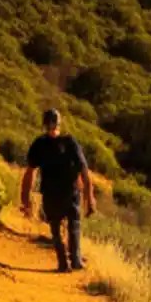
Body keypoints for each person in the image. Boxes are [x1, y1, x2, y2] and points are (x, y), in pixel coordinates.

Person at [21, 109, 95, 272]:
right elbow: (84, 171)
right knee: (73, 224)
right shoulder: (69, 142)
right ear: (59, 123)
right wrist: (90, 198)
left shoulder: (39, 143)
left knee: (56, 227)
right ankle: (74, 260)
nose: (52, 128)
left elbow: (30, 173)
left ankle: (64, 261)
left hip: (53, 194)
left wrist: (25, 199)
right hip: (69, 193)